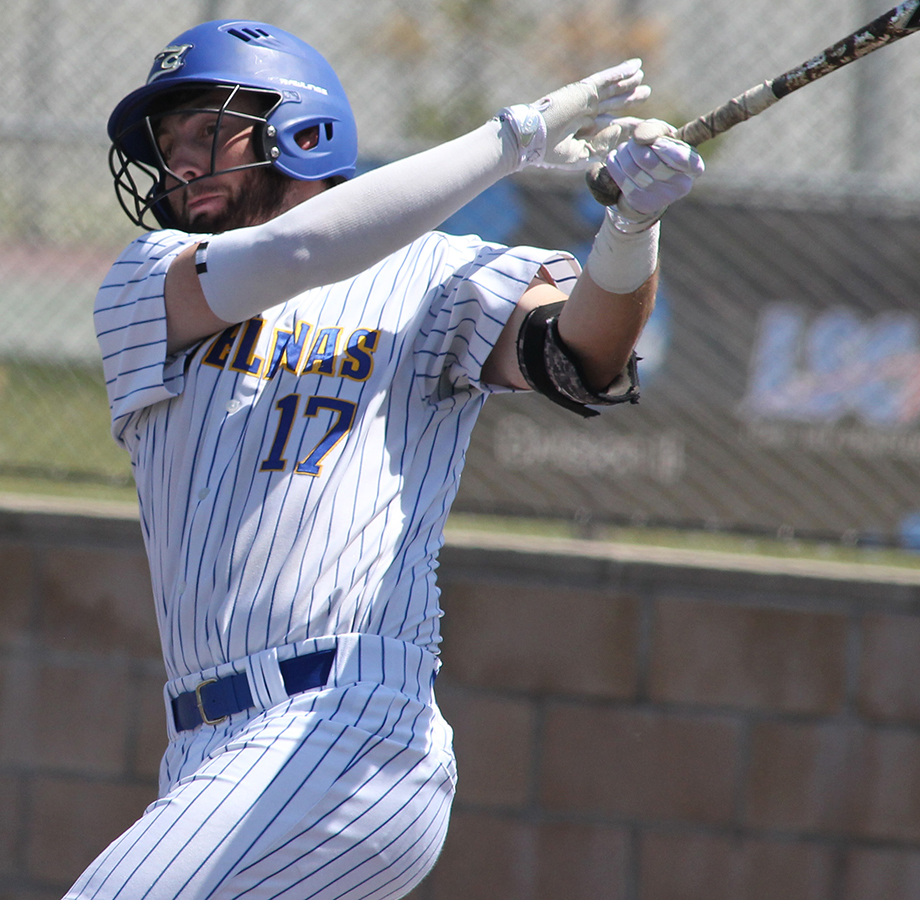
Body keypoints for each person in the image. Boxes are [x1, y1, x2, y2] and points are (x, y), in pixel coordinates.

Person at [82, 18, 703, 900]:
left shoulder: (442, 272)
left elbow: (583, 358)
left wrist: (631, 229)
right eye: (168, 143)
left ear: (300, 132)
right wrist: (513, 139)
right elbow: (302, 250)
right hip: (205, 750)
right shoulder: (147, 279)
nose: (181, 163)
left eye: (206, 131)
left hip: (350, 724)